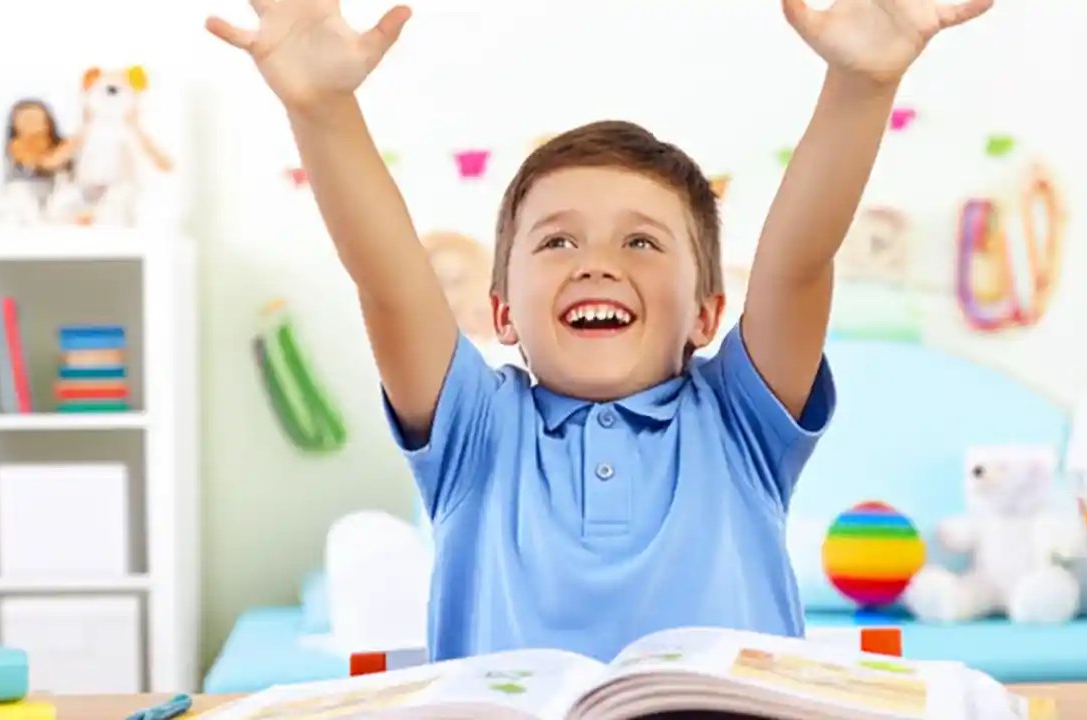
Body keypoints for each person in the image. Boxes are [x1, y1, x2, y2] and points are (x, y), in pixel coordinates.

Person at [206, 0, 993, 663]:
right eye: (557, 242)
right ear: (502, 311)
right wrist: (323, 109)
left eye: (642, 242)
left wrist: (861, 85)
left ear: (707, 314)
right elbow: (390, 285)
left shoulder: (741, 423)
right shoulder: (475, 430)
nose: (597, 264)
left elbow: (797, 263)